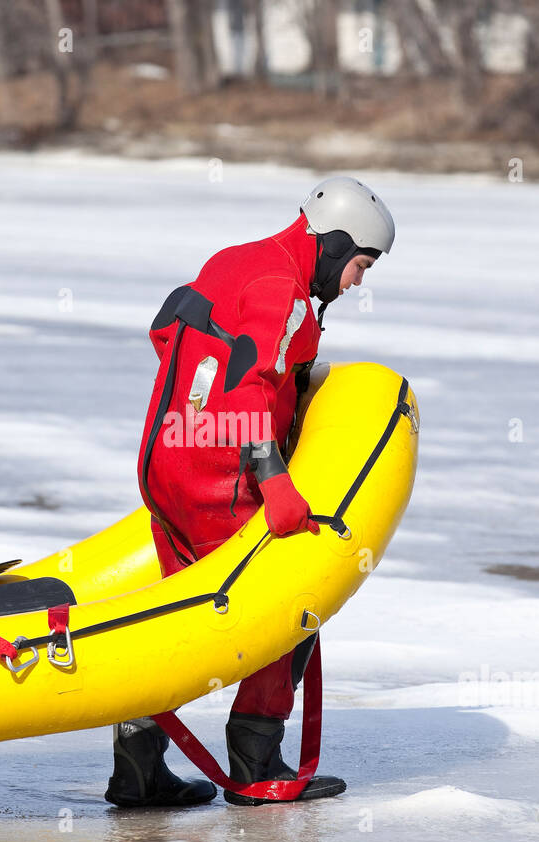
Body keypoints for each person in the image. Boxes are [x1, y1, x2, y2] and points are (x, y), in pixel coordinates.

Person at [104, 176, 396, 808]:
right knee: (291, 604)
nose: (358, 282)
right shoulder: (284, 289)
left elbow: (168, 331)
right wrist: (274, 479)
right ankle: (257, 759)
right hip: (221, 480)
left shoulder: (235, 259)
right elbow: (250, 383)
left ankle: (138, 763)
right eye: (360, 265)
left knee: (180, 614)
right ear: (336, 243)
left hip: (164, 464)